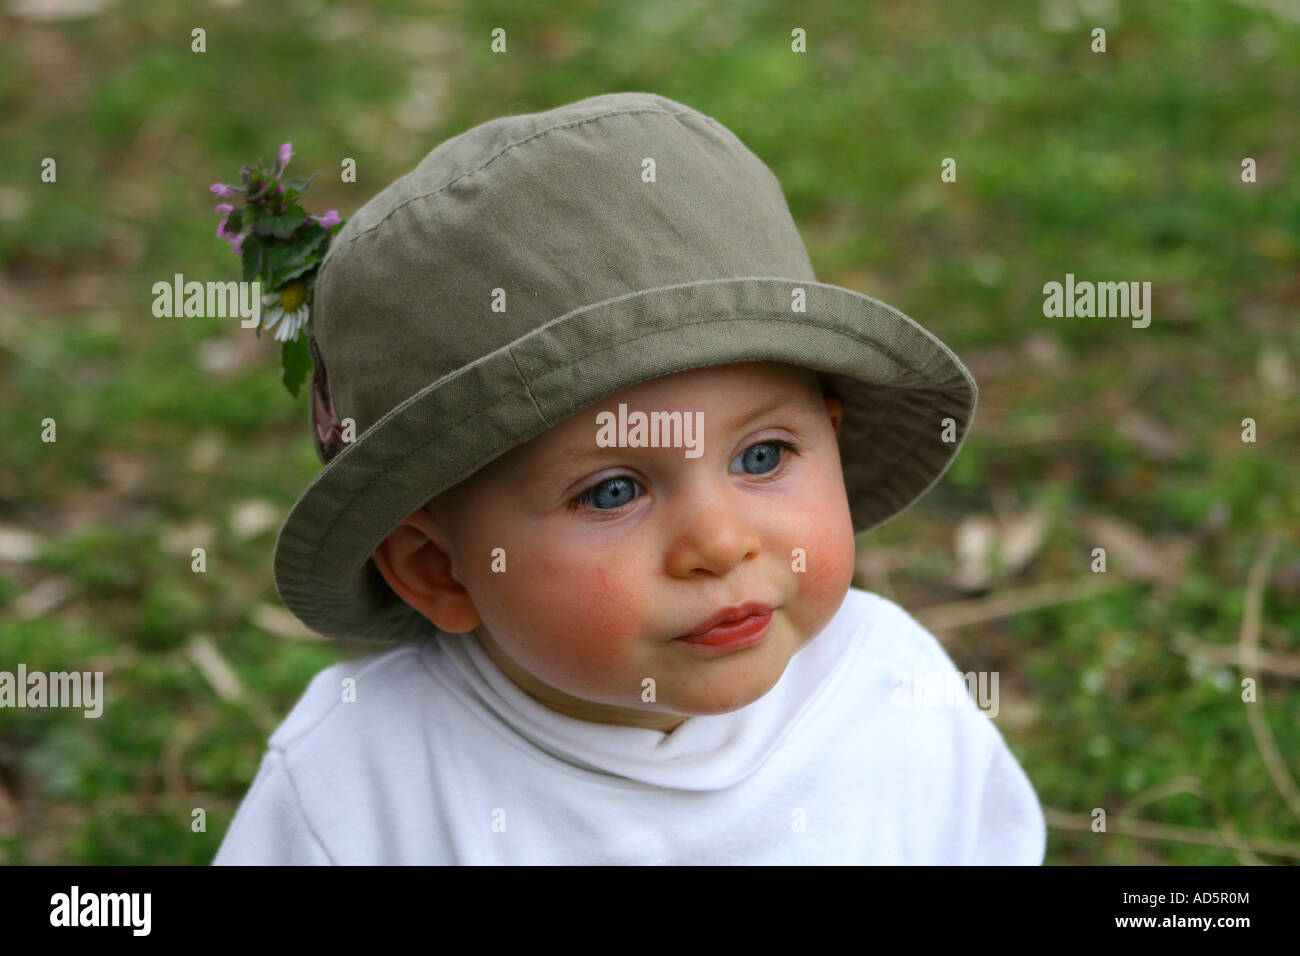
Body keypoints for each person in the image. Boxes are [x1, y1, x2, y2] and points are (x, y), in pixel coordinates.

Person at [212, 91, 1045, 864]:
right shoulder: (359, 782)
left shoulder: (892, 691)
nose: (720, 543)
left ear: (831, 436)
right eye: (612, 491)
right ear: (438, 568)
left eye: (762, 457)